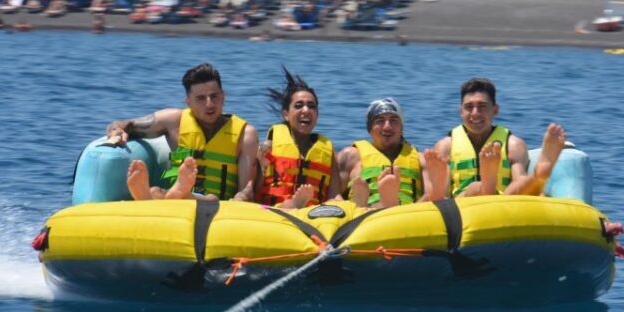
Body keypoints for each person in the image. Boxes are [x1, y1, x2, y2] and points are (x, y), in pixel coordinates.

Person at [107, 63, 259, 201]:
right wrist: (116, 130)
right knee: (156, 192)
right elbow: (125, 124)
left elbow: (246, 190)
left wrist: (240, 198)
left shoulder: (245, 134)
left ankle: (167, 196)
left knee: (210, 199)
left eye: (214, 96)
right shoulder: (174, 121)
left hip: (217, 206)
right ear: (188, 102)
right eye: (200, 98)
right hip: (174, 199)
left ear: (223, 96)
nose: (209, 104)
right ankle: (154, 195)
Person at [432, 78, 566, 198]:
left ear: (495, 110)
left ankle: (540, 174)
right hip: (461, 206)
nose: (475, 113)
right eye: (469, 107)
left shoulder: (513, 145)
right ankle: (486, 187)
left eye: (482, 107)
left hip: (501, 204)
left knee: (523, 182)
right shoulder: (446, 146)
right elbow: (441, 196)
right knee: (475, 188)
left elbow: (520, 184)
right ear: (461, 112)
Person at [337, 98, 447, 208]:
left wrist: (432, 195)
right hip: (367, 217)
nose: (387, 126)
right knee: (359, 203)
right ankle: (364, 205)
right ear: (369, 128)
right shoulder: (350, 156)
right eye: (380, 120)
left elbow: (429, 205)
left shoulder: (422, 160)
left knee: (431, 200)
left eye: (393, 120)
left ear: (401, 127)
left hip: (409, 216)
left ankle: (433, 193)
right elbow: (333, 197)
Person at [256, 66, 340, 209]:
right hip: (274, 212)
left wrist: (345, 206)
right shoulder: (268, 146)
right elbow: (255, 190)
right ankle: (293, 205)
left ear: (317, 115)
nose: (306, 110)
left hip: (313, 216)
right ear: (286, 114)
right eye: (299, 105)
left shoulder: (327, 151)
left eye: (311, 106)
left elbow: (333, 195)